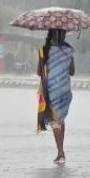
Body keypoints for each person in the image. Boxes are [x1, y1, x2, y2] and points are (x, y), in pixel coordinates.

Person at [37, 28, 75, 164]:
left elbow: (39, 72)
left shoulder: (44, 50)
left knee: (54, 121)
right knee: (61, 120)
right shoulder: (69, 50)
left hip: (52, 89)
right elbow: (72, 72)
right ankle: (61, 151)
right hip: (66, 90)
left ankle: (60, 153)